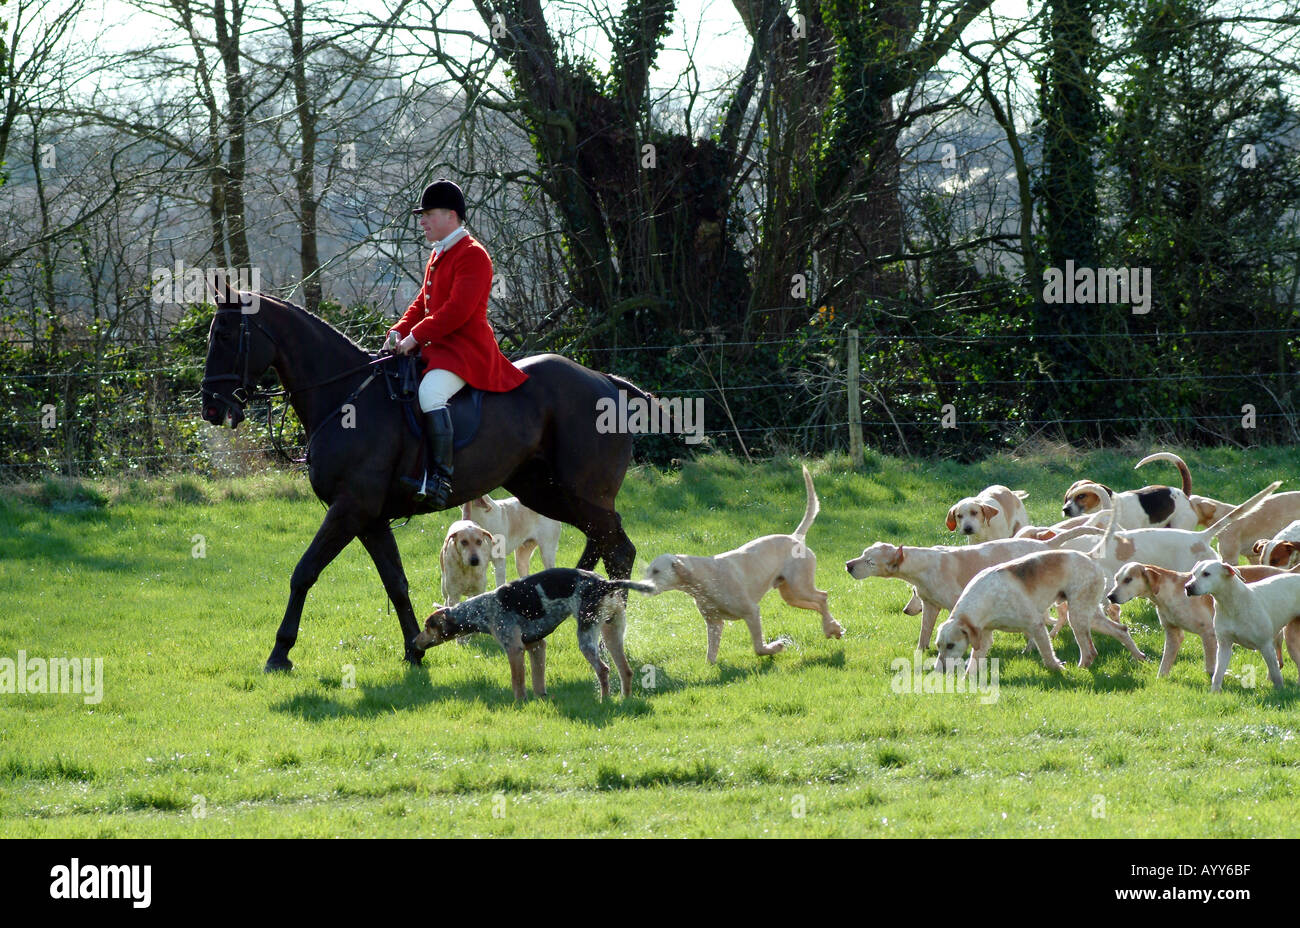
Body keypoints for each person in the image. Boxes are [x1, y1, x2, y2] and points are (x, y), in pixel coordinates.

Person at [386, 179, 527, 508]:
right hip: (439, 349)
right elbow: (422, 303)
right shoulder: (438, 255)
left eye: (428, 214)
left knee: (429, 393)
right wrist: (398, 331)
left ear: (451, 215)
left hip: (466, 352)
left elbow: (456, 312)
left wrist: (414, 338)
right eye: (422, 216)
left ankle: (441, 478)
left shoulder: (473, 255)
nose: (422, 221)